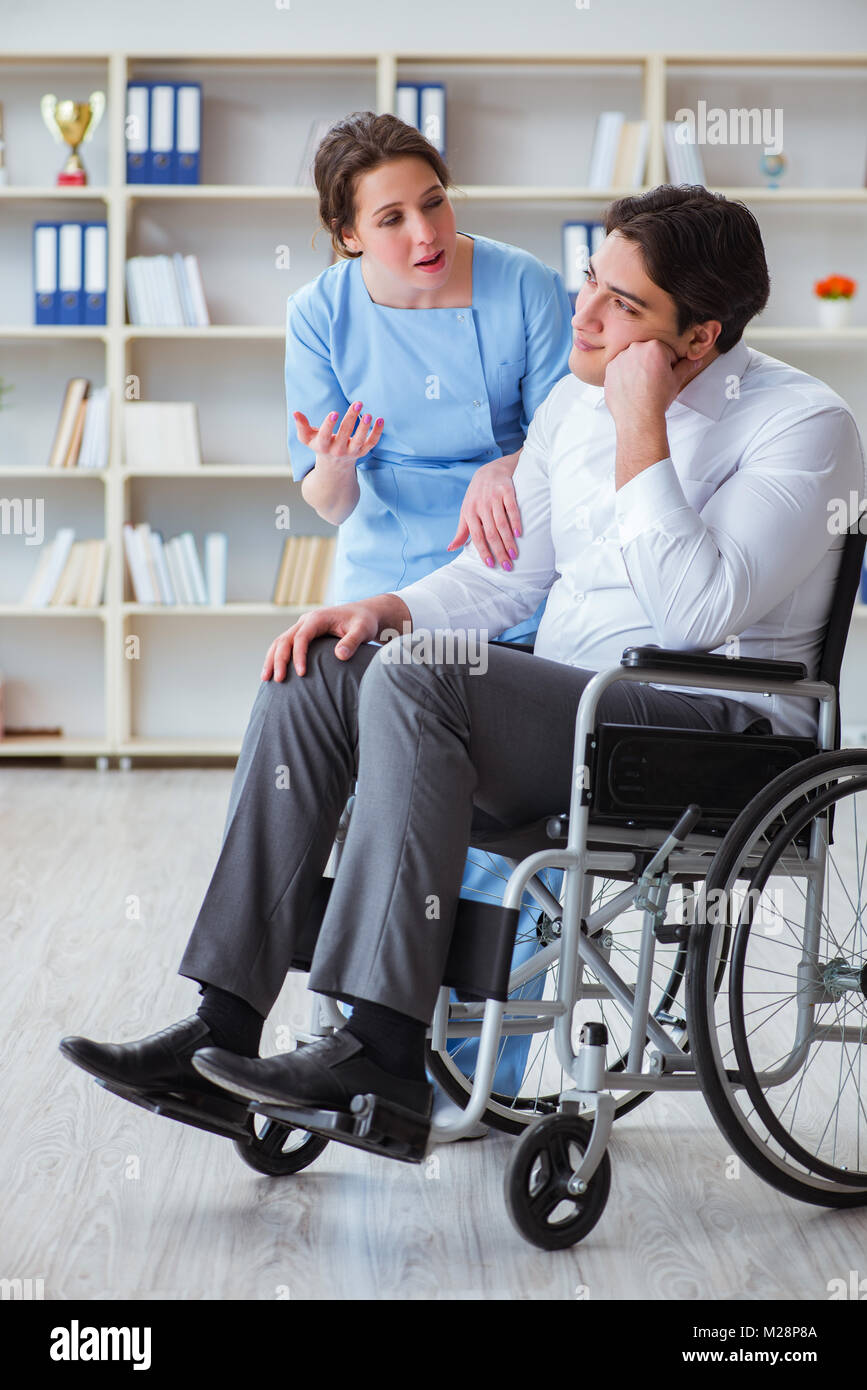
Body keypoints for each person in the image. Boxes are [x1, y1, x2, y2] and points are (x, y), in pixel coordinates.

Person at [60, 184, 865, 1132]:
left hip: (706, 729)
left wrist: (640, 426)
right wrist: (383, 606)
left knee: (425, 676)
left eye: (624, 305)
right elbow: (506, 579)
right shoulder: (575, 399)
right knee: (324, 666)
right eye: (589, 283)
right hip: (572, 710)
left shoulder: (805, 426)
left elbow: (695, 609)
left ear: (699, 337)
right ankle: (221, 1027)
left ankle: (382, 1055)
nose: (587, 314)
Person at [283, 111, 573, 1100]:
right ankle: (363, 1035)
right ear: (350, 233)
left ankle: (479, 1070)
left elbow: (574, 447)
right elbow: (327, 501)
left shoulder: (527, 287)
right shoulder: (320, 313)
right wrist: (333, 467)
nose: (426, 233)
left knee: (494, 834)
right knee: (376, 812)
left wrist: (510, 459)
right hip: (378, 580)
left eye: (436, 201)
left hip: (504, 570)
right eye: (394, 215)